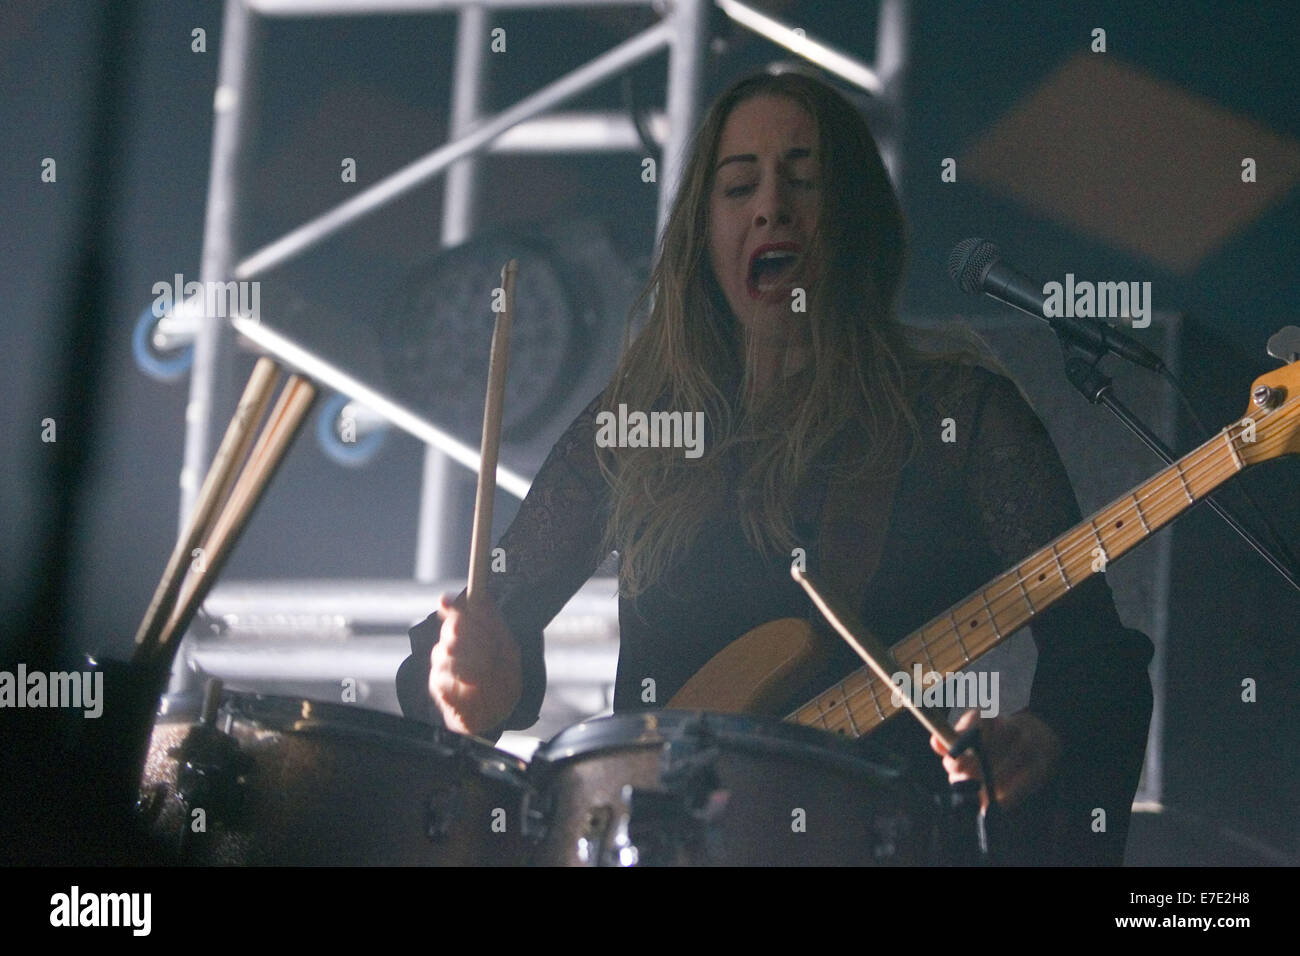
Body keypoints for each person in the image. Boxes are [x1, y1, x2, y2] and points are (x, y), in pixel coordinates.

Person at [396, 70, 1154, 865]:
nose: (770, 206)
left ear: (853, 221)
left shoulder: (956, 420)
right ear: (703, 233)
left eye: (805, 179)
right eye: (738, 186)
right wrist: (469, 688)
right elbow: (477, 635)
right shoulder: (641, 424)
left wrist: (1042, 737)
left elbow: (1097, 663)